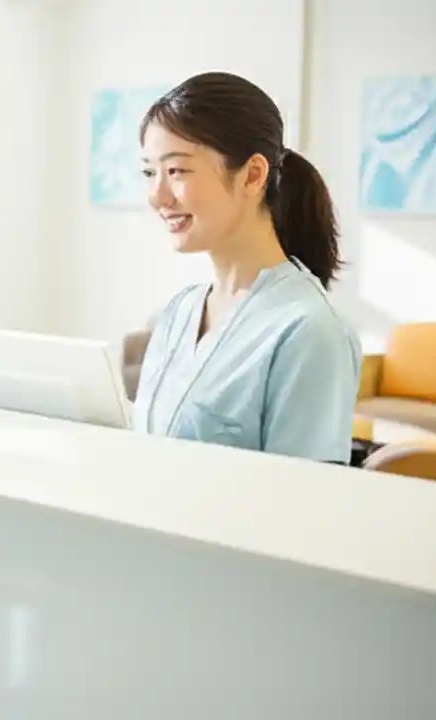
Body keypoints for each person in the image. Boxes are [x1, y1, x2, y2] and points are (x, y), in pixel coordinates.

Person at [131, 72, 361, 464]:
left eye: (177, 171)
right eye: (150, 172)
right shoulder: (177, 312)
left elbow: (304, 501)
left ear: (253, 175)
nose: (158, 196)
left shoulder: (309, 331)